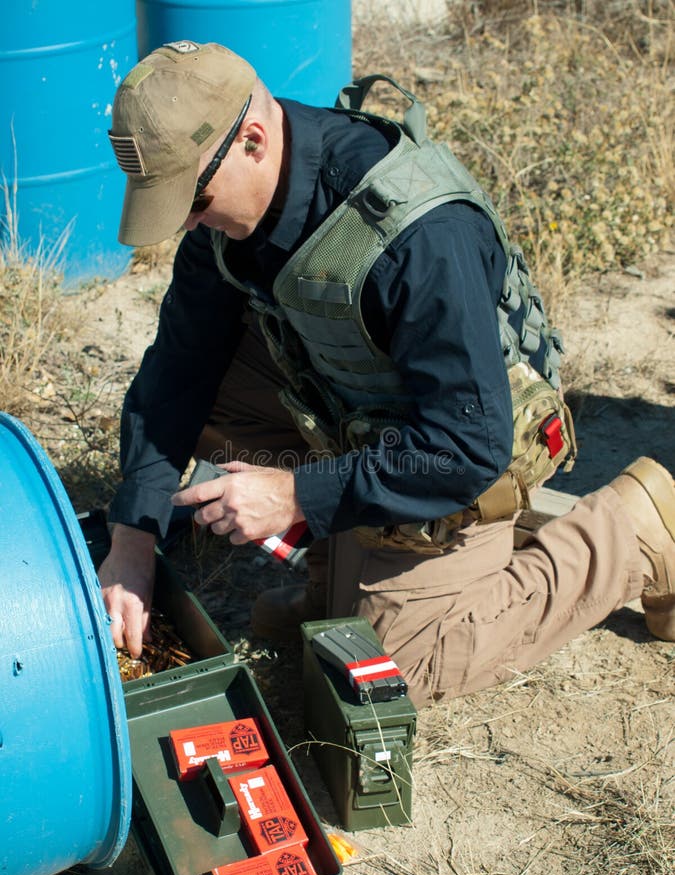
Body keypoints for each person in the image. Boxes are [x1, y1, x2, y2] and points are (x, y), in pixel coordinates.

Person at [99, 40, 674, 708]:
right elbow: (177, 371)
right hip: (363, 402)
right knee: (201, 400)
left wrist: (296, 496)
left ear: (252, 140)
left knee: (398, 667)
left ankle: (635, 531)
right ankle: (340, 570)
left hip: (465, 434)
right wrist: (134, 535)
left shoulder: (414, 235)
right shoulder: (233, 205)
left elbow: (468, 446)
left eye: (194, 198)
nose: (190, 223)